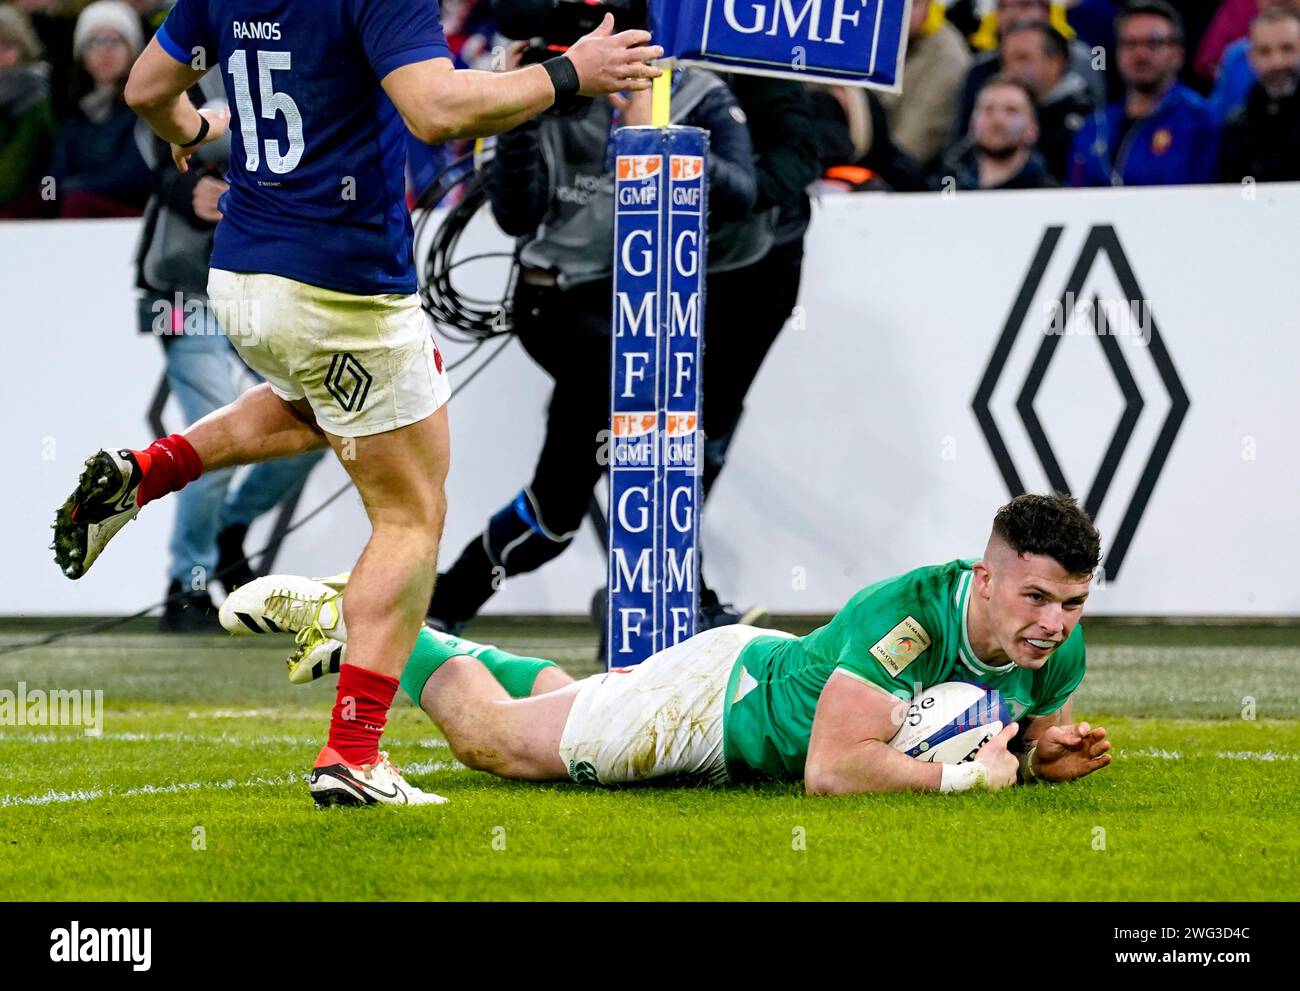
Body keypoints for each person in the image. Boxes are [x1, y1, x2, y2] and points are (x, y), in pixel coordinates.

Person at [51, 0, 665, 808]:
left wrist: (196, 132)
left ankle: (147, 472)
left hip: (241, 277)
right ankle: (352, 751)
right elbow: (436, 109)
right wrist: (568, 74)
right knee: (412, 514)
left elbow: (144, 87)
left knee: (318, 403)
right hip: (341, 283)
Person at [228, 493, 1113, 795]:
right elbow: (837, 770)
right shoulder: (908, 617)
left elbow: (1012, 729)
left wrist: (1040, 753)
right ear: (986, 577)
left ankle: (397, 633)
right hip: (711, 711)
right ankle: (369, 622)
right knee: (493, 743)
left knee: (569, 706)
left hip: (733, 685)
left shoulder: (1055, 647)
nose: (1053, 622)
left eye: (1071, 603)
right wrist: (972, 778)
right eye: (1036, 596)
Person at [424, 57, 761, 638]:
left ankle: (443, 603)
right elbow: (515, 214)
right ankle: (683, 600)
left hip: (635, 311)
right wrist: (524, 107)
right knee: (652, 448)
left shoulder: (699, 94)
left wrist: (658, 140)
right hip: (555, 305)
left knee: (556, 512)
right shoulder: (546, 81)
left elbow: (742, 195)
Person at [134, 72, 325, 630]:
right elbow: (147, 143)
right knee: (209, 437)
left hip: (260, 286)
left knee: (319, 428)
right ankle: (186, 581)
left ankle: (226, 533)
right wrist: (183, 187)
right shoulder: (190, 41)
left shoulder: (294, 47)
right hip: (183, 292)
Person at [1068, 0, 1221, 186]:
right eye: (1130, 44)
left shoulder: (1201, 123)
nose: (1140, 54)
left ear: (1177, 54)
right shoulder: (1095, 127)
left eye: (1153, 44)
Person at [47, 0, 153, 217]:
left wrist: (73, 188)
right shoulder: (77, 115)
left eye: (115, 40)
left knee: (77, 204)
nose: (105, 51)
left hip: (131, 219)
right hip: (82, 212)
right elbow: (52, 177)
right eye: (95, 42)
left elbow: (133, 176)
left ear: (133, 51)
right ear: (82, 56)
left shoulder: (145, 109)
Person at [875, 0, 973, 171]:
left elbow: (914, 142)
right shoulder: (879, 38)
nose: (900, 10)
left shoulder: (947, 57)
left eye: (912, 3)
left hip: (908, 177)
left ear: (929, 6)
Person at [999, 21, 1095, 178]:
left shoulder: (1083, 117)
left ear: (1055, 62)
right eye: (1005, 60)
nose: (1010, 69)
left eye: (1023, 58)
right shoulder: (995, 106)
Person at [1218, 7, 1300, 180]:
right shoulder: (1237, 125)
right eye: (1264, 51)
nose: (1276, 62)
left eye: (1287, 49)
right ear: (1251, 58)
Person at [945, 74, 1058, 189]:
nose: (997, 120)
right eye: (988, 109)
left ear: (1032, 128)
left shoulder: (1051, 197)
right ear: (972, 123)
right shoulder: (947, 187)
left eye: (1011, 110)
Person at [0, 4, 57, 217]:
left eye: (7, 46)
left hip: (27, 205)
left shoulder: (34, 97)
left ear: (24, 48)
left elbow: (19, 165)